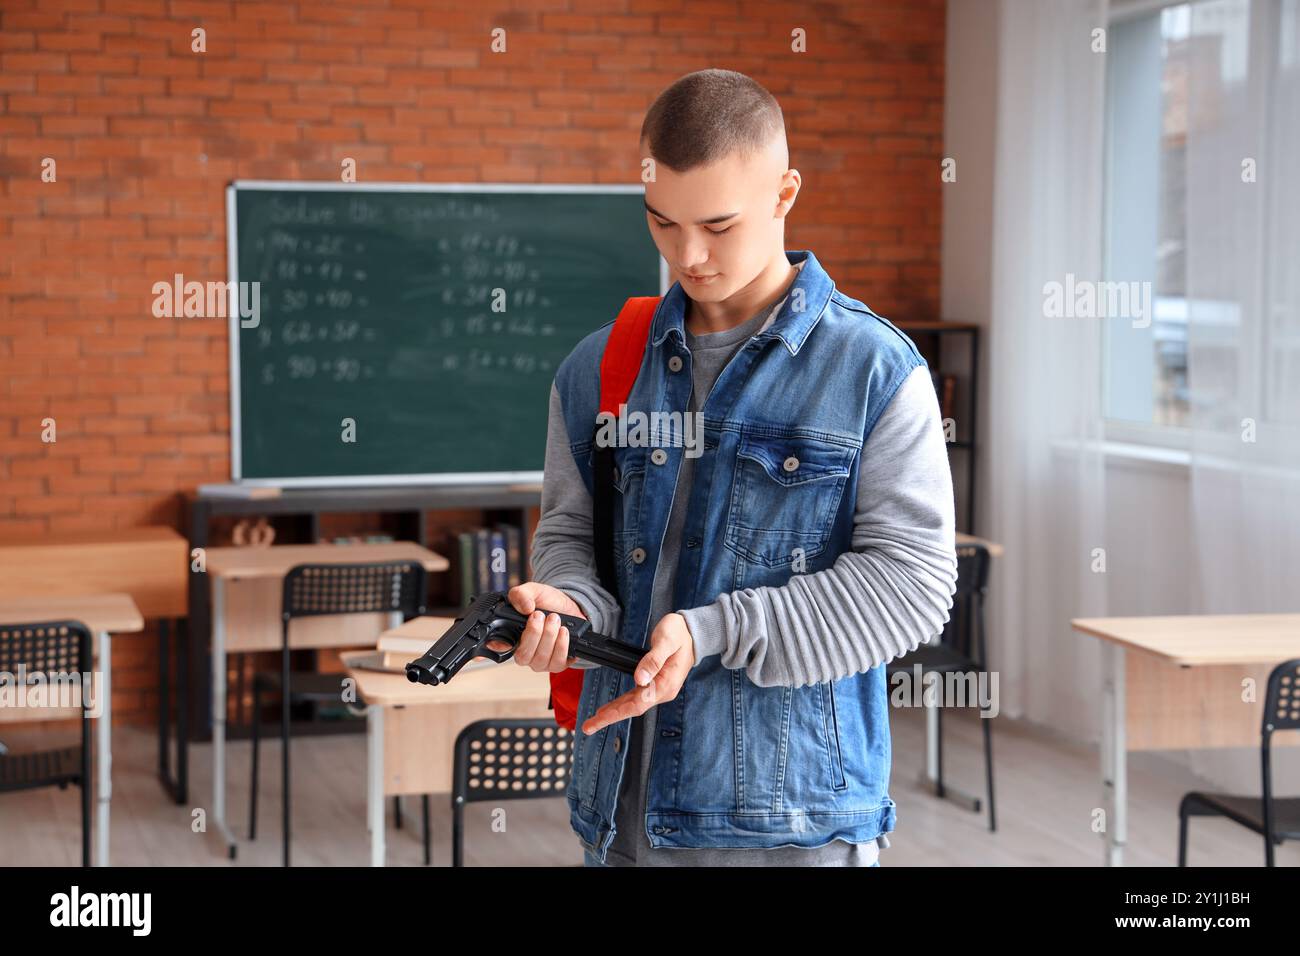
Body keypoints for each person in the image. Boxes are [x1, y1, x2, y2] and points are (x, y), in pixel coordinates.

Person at [507, 68, 957, 866]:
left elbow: (913, 588)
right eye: (662, 223)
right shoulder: (598, 367)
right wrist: (568, 608)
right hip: (623, 818)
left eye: (718, 224)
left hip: (795, 826)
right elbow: (572, 534)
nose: (689, 255)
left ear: (785, 193)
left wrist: (712, 631)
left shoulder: (875, 371)